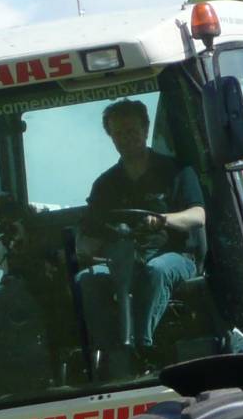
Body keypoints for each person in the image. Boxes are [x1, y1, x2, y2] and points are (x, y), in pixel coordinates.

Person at [74, 98, 205, 372]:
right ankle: (103, 353)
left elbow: (198, 216)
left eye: (132, 130)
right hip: (121, 260)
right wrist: (88, 247)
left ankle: (140, 348)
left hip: (175, 256)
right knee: (87, 280)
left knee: (154, 271)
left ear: (146, 130)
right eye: (119, 133)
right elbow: (86, 236)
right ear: (111, 137)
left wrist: (163, 220)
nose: (126, 138)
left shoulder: (177, 171)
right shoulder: (105, 185)